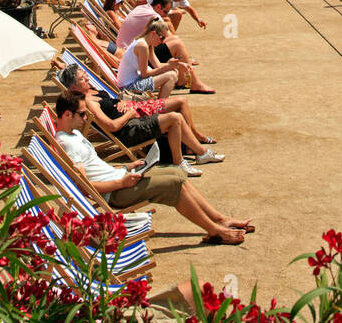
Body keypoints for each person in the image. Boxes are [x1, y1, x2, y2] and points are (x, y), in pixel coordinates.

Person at [54, 91, 249, 244]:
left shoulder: (74, 134)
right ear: (67, 114)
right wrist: (120, 183)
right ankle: (216, 231)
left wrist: (126, 166)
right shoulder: (67, 144)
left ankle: (220, 219)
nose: (86, 118)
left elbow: (94, 167)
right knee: (172, 183)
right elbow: (82, 186)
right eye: (82, 114)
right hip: (115, 192)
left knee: (176, 172)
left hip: (121, 176)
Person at [59, 63, 223, 172]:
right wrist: (130, 113)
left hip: (133, 116)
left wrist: (123, 104)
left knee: (176, 114)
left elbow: (111, 106)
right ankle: (183, 160)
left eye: (85, 75)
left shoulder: (91, 91)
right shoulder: (88, 102)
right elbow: (112, 126)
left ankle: (197, 153)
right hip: (129, 130)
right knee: (175, 118)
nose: (87, 78)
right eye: (82, 78)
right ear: (73, 87)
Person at [115, 19, 179, 97]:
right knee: (171, 76)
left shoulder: (147, 44)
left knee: (173, 71)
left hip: (132, 82)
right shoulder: (142, 46)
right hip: (127, 87)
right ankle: (160, 106)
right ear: (153, 34)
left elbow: (157, 66)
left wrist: (176, 65)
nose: (162, 42)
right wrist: (167, 66)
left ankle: (160, 104)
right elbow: (144, 74)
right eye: (162, 38)